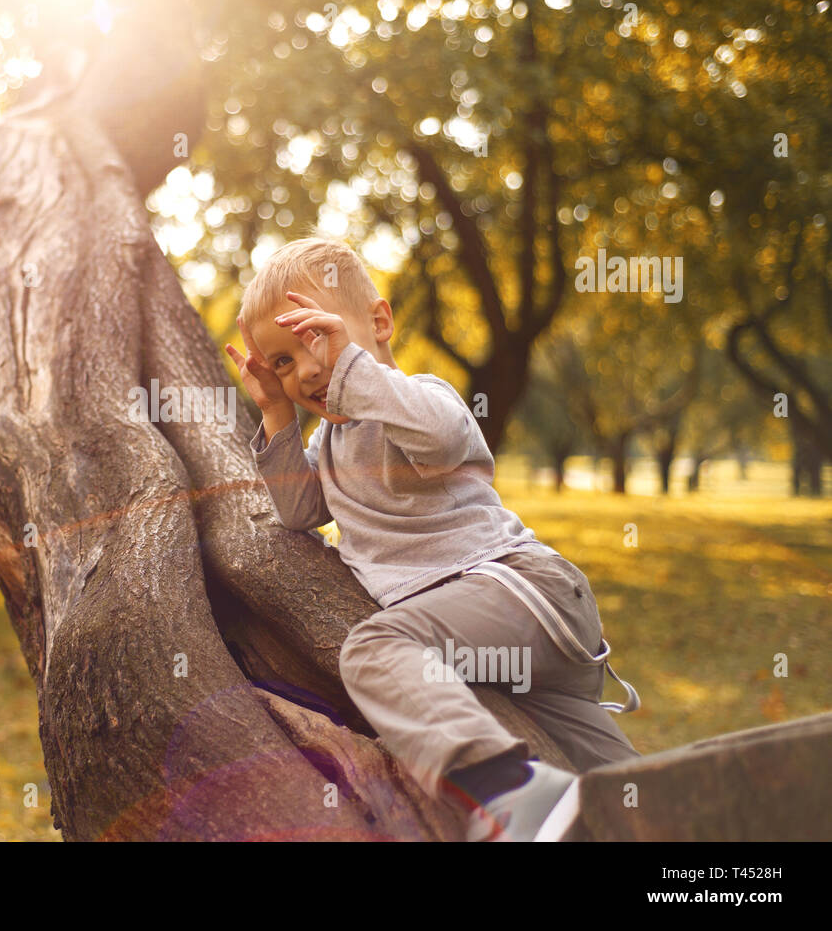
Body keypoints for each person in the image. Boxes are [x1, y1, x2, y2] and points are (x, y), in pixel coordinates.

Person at [225, 237, 641, 841]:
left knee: (373, 650)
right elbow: (298, 512)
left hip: (520, 590)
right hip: (506, 650)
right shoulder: (329, 446)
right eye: (283, 361)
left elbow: (443, 439)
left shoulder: (416, 399)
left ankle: (508, 796)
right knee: (621, 789)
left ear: (379, 321)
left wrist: (356, 374)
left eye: (317, 335)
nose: (309, 368)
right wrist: (276, 416)